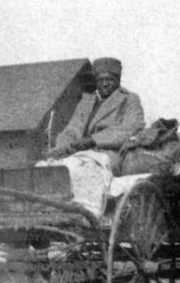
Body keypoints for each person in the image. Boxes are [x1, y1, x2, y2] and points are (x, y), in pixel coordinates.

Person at [38, 57, 146, 215]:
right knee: (47, 167)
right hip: (79, 153)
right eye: (100, 80)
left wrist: (93, 140)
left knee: (79, 168)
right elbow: (72, 129)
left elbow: (131, 129)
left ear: (118, 80)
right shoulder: (86, 102)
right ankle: (52, 211)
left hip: (110, 154)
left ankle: (88, 213)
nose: (105, 84)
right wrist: (60, 148)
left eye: (110, 79)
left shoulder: (129, 100)